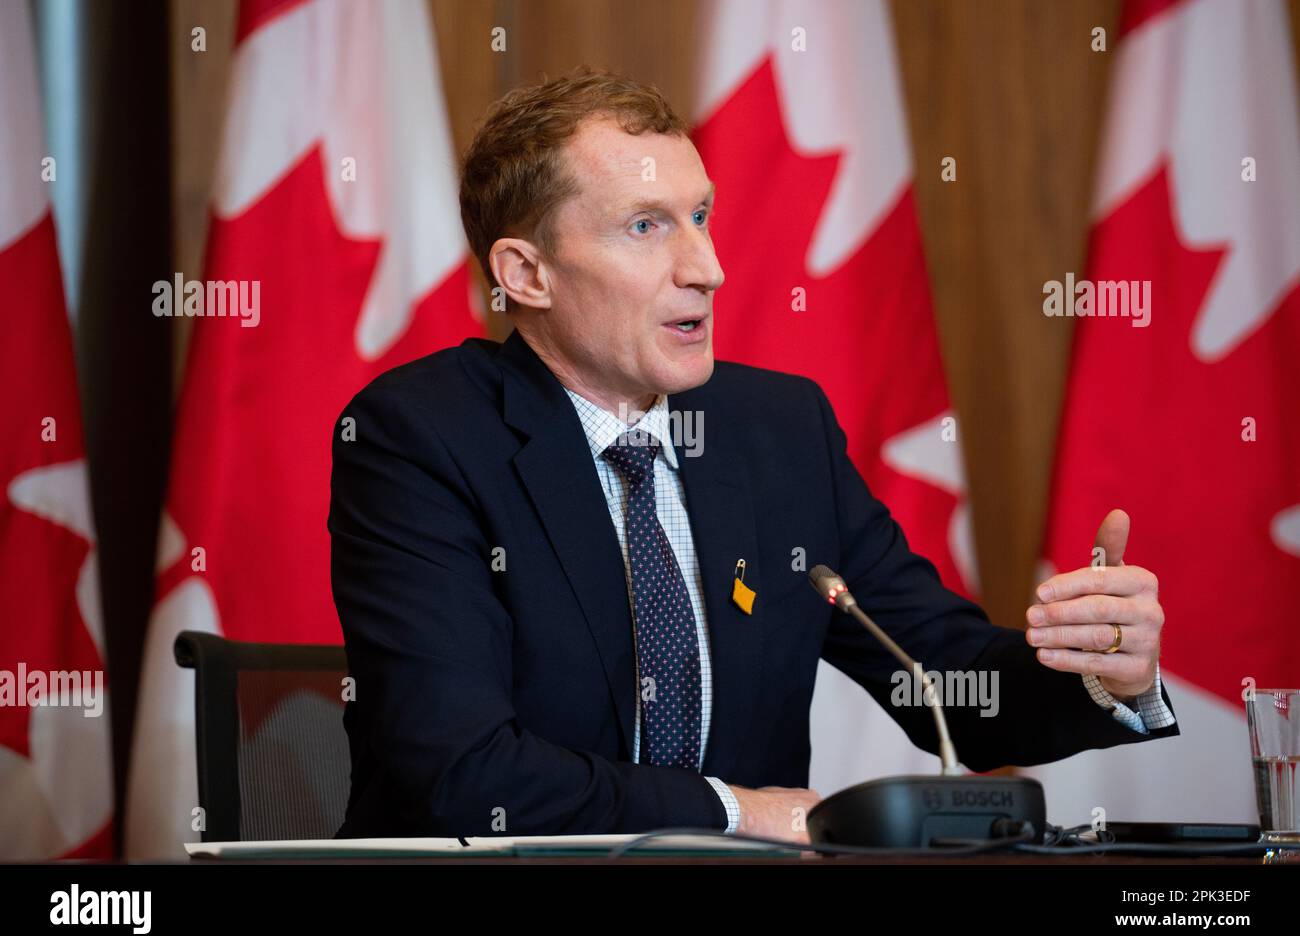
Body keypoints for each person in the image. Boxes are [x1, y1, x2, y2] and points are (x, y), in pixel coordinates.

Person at [329, 67, 1176, 842]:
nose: (708, 267)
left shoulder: (777, 430)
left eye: (700, 216)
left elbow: (948, 685)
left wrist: (1101, 672)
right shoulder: (419, 437)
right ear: (528, 272)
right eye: (646, 226)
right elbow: (463, 776)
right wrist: (737, 811)